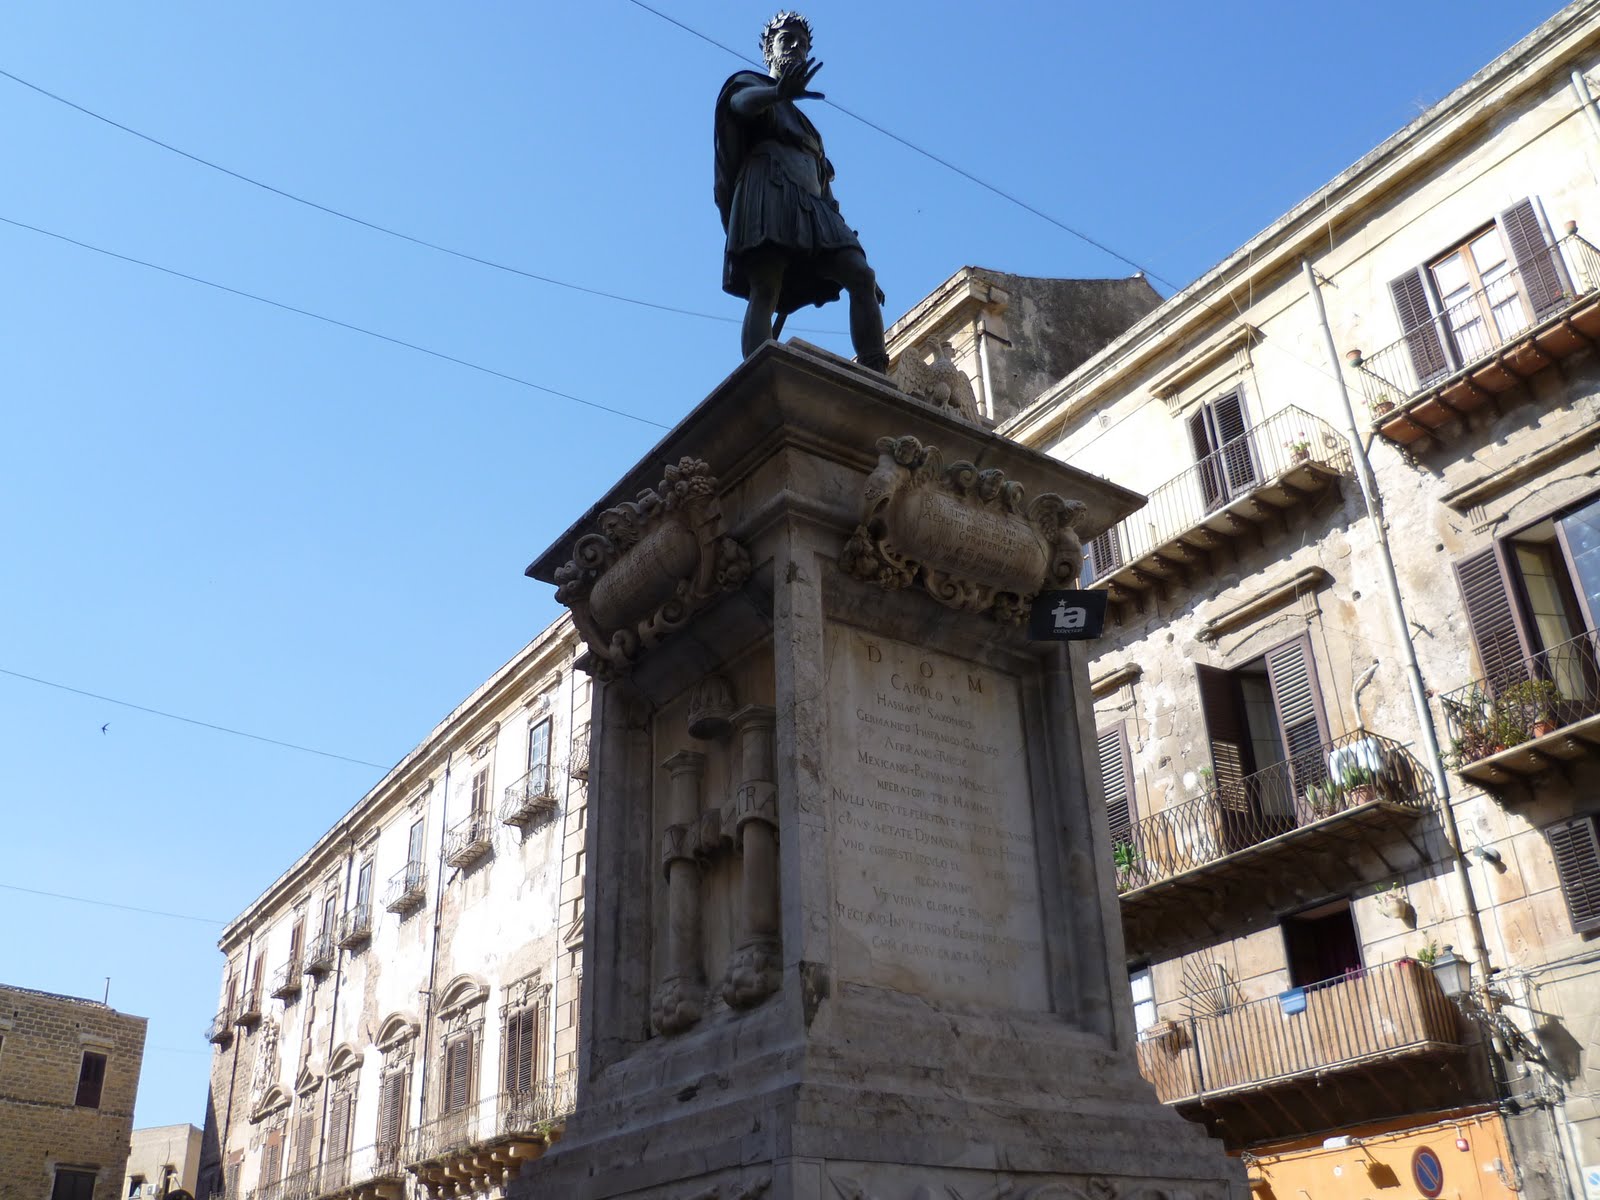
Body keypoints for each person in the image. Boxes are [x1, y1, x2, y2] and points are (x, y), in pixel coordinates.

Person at [714, 11, 887, 371]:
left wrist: (846, 234)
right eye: (786, 40)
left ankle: (878, 377)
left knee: (862, 276)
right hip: (769, 188)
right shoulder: (748, 84)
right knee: (766, 284)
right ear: (768, 49)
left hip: (814, 206)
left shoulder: (809, 129)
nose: (796, 47)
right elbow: (739, 105)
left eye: (803, 43)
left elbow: (826, 191)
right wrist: (776, 93)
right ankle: (760, 376)